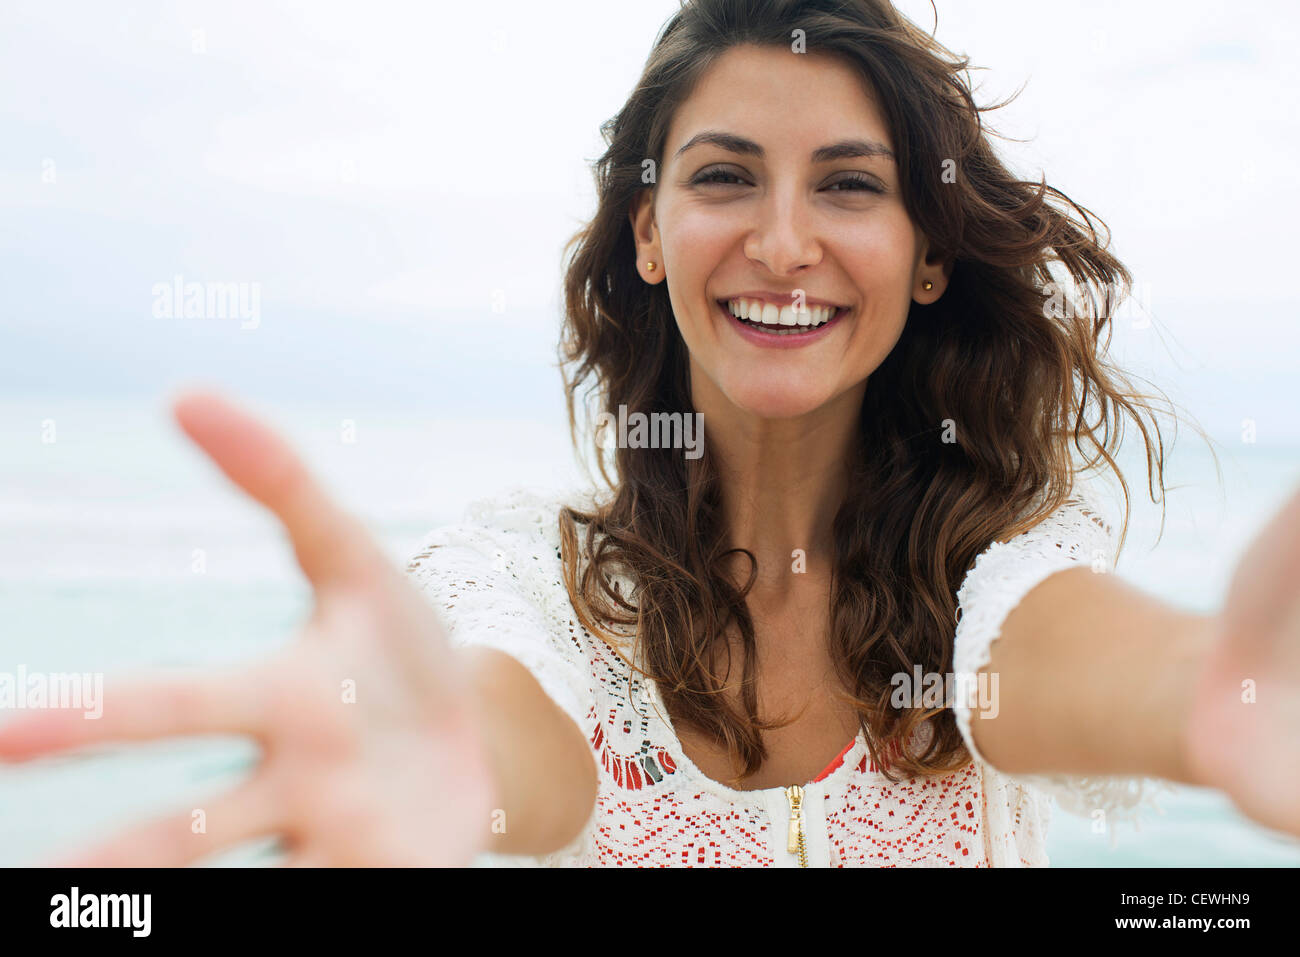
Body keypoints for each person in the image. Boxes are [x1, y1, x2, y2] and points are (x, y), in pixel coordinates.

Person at [3, 0, 1297, 866]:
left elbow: (1126, 674)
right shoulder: (533, 590)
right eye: (725, 175)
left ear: (927, 258)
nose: (784, 242)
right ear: (645, 228)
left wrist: (1219, 697)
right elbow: (513, 739)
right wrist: (447, 761)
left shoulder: (996, 582)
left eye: (849, 185)